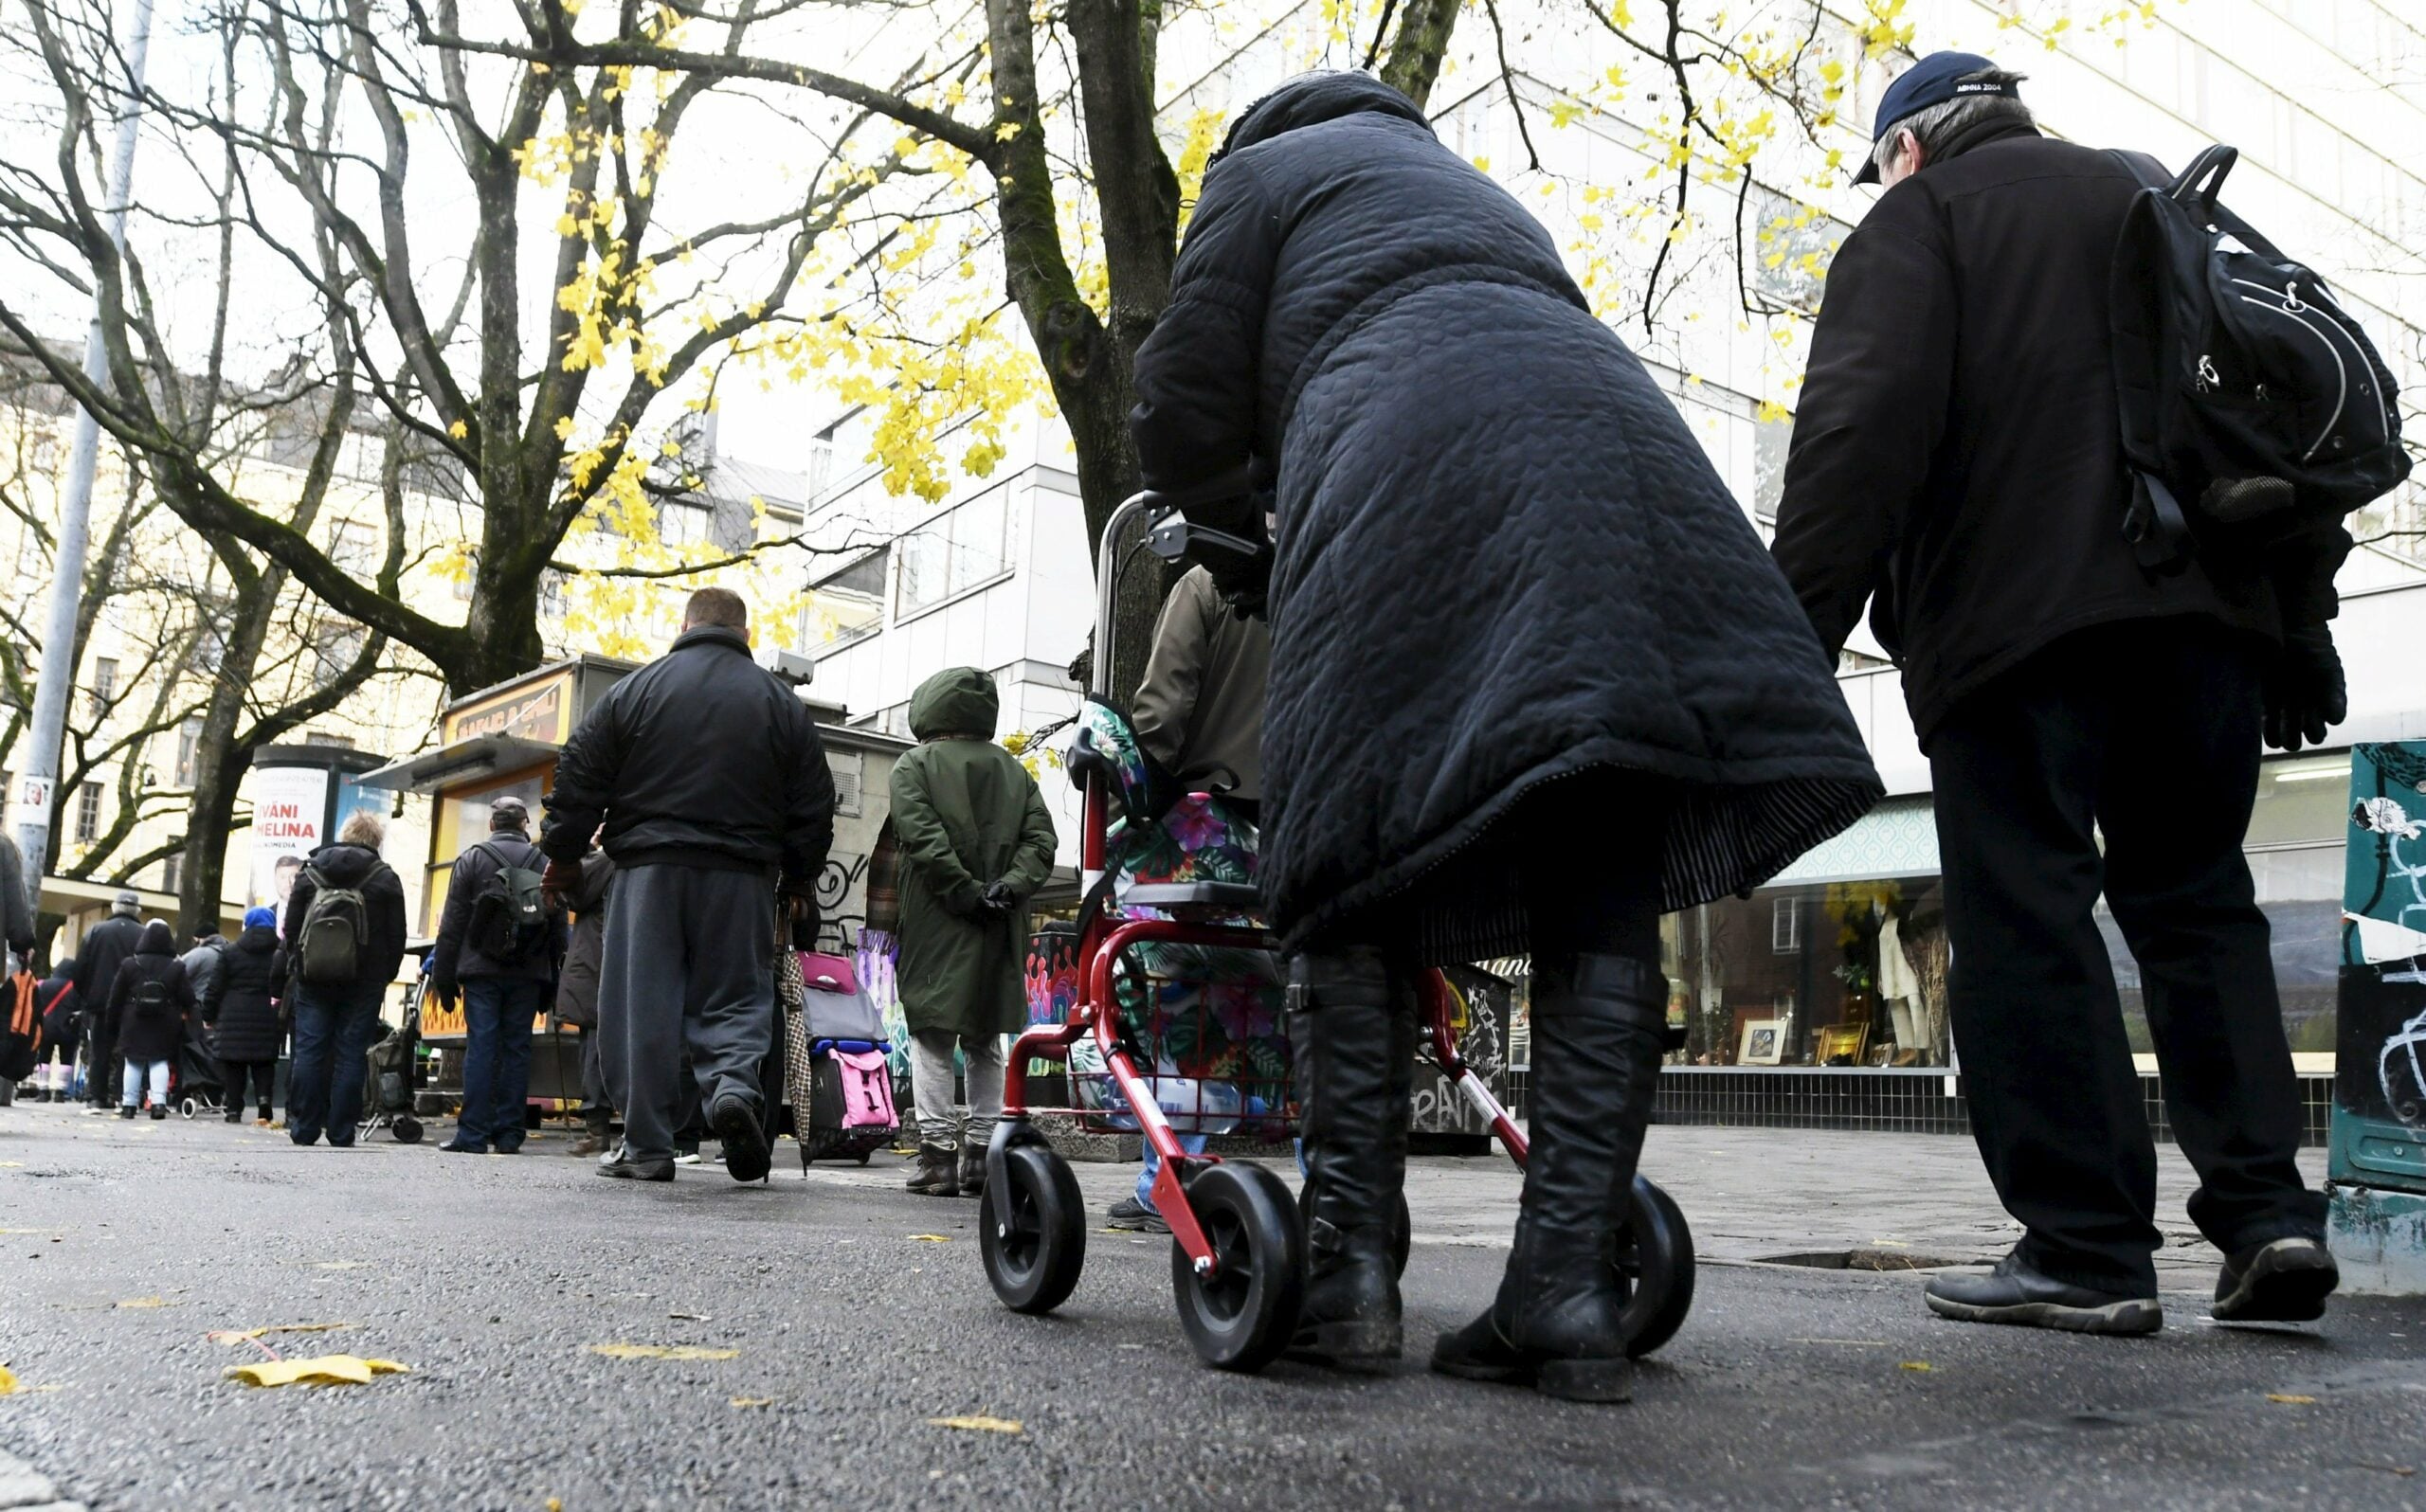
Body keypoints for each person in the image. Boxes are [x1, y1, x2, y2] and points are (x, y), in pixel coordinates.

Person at [1129, 71, 1878, 1398]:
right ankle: (1567, 1287)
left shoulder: (1257, 176)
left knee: (1347, 835)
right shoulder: (1470, 190)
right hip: (1611, 444)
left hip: (1401, 450)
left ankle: (1350, 1274)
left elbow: (1180, 405)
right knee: (1596, 826)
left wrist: (1230, 515)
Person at [1770, 53, 2349, 1337]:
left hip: (2021, 626)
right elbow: (2276, 409)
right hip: (2208, 628)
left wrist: (1783, 643)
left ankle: (2086, 1246)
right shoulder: (2155, 196)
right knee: (2200, 910)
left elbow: (1861, 431)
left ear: (1908, 147)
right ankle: (2269, 1217)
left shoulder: (1923, 222)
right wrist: (2299, 632)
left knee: (2027, 912)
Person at [539, 587, 835, 1185]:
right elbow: (814, 800)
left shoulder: (637, 690)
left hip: (650, 872)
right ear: (745, 634)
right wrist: (800, 877)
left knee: (640, 1005)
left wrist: (564, 855)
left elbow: (580, 772)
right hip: (744, 876)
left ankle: (646, 1146)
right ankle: (729, 1089)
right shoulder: (781, 704)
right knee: (734, 997)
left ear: (685, 624)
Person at [1106, 564, 1275, 1233]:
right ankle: (1334, 1185)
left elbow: (1163, 713)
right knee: (1303, 995)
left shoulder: (1209, 581)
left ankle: (1164, 1182)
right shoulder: (1342, 553)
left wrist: (1133, 790)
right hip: (1310, 817)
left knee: (1184, 993)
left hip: (1213, 825)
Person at [889, 667, 1059, 1199]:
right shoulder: (1015, 772)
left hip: (938, 921)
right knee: (985, 1039)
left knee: (932, 1035)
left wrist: (965, 891)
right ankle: (985, 1159)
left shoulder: (913, 765)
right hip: (999, 923)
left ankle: (936, 1158)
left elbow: (922, 839)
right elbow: (1042, 841)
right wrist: (1007, 888)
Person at [429, 796, 564, 1156]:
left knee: (482, 1047)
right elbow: (556, 924)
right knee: (517, 1050)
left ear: (492, 825)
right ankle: (509, 1134)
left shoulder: (472, 859)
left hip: (481, 971)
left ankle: (472, 1135)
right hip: (528, 972)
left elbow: (453, 924)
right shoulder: (544, 862)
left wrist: (444, 977)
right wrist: (552, 978)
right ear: (525, 825)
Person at [280, 812, 408, 1147]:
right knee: (352, 1053)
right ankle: (341, 1131)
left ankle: (304, 1128)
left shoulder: (311, 871)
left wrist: (298, 964)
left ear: (345, 835)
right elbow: (398, 936)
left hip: (314, 977)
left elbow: (291, 929)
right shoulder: (385, 878)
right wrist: (384, 975)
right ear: (376, 841)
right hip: (364, 981)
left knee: (309, 1050)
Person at [553, 839, 617, 1158]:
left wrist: (585, 849)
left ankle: (597, 1130)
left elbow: (573, 892)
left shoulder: (605, 859)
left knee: (593, 1050)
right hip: (618, 963)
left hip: (596, 965)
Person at [101, 921, 193, 1119]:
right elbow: (188, 997)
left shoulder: (129, 965)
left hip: (133, 1020)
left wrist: (112, 1022)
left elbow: (115, 997)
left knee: (133, 1062)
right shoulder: (177, 967)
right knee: (159, 1061)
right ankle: (158, 1103)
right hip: (164, 1021)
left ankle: (129, 1105)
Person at [209, 907, 286, 1126]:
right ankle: (264, 1103)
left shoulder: (230, 951)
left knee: (234, 1064)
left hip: (233, 1014)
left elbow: (215, 987)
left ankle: (233, 1108)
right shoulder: (279, 951)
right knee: (264, 1063)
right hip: (268, 1013)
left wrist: (209, 1015)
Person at [74, 891, 147, 1110]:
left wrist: (87, 996)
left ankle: (96, 1096)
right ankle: (121, 1096)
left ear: (114, 908)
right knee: (127, 1050)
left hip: (99, 1001)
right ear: (137, 911)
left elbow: (80, 969)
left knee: (99, 1050)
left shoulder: (96, 931)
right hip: (131, 1003)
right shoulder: (144, 934)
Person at [30, 955, 78, 1102]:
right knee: (66, 1060)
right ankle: (60, 1093)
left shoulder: (42, 984)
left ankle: (43, 1091)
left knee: (43, 1058)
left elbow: (34, 1006)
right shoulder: (76, 988)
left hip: (46, 1028)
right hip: (68, 1028)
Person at [179, 928, 229, 1025]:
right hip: (219, 1009)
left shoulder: (199, 954)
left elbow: (179, 972)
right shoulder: (228, 954)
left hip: (195, 1008)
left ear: (202, 939)